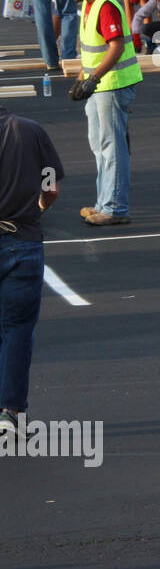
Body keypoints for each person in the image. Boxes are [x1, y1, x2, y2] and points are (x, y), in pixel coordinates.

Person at [60, 0, 144, 226]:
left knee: (112, 147)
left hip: (113, 84)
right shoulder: (88, 4)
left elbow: (116, 47)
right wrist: (82, 77)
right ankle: (103, 203)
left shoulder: (106, 6)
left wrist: (92, 78)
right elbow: (92, 49)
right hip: (100, 84)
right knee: (99, 145)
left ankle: (115, 208)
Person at [0, 104, 63, 434]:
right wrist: (38, 208)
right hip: (21, 238)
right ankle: (10, 411)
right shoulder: (29, 130)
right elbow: (50, 185)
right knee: (17, 330)